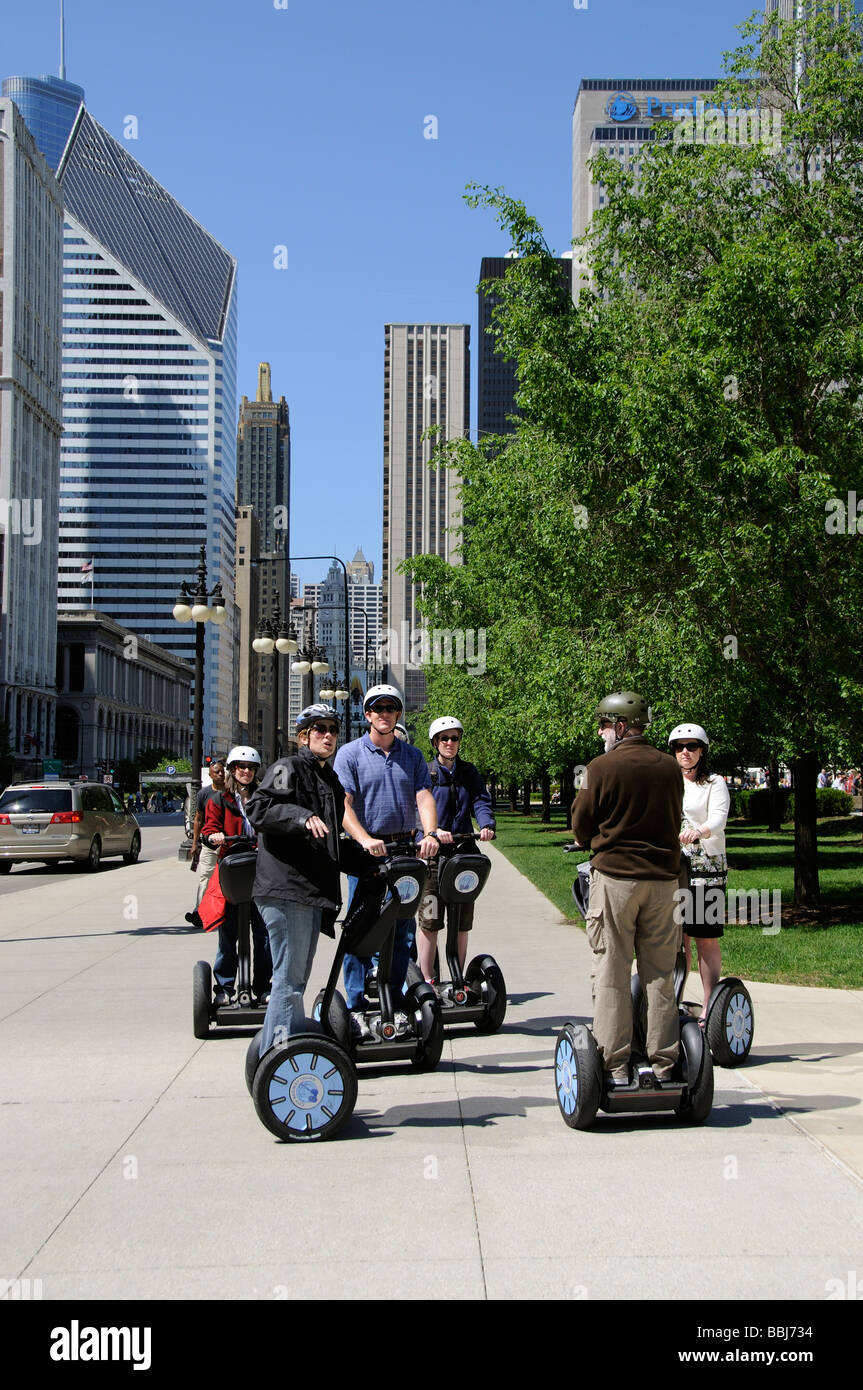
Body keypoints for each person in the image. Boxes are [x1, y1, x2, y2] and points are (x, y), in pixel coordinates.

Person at [245, 705, 372, 1057]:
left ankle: (274, 1054)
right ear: (304, 736)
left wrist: (374, 861)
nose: (328, 735)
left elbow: (330, 844)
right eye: (319, 729)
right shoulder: (289, 768)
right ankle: (283, 1060)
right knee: (290, 981)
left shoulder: (328, 779)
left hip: (309, 894)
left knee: (293, 981)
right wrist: (301, 816)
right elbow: (259, 809)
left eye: (333, 728)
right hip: (288, 891)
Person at [571, 691, 683, 1084]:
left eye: (603, 724)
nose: (601, 732)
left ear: (619, 727)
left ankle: (614, 1066)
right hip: (664, 883)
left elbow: (581, 827)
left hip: (617, 879)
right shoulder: (670, 767)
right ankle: (665, 1064)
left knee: (612, 972)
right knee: (660, 974)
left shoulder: (597, 768)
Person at [334, 684, 439, 1033]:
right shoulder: (350, 754)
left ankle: (394, 1001)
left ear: (398, 715)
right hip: (367, 856)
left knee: (401, 933)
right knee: (362, 930)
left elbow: (423, 796)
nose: (384, 714)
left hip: (405, 851)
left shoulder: (412, 755)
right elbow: (343, 804)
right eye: (377, 709)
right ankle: (354, 1005)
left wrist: (430, 833)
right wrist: (363, 839)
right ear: (367, 715)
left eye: (390, 709)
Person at [416, 716, 495, 984]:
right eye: (444, 738)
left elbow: (480, 800)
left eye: (455, 738)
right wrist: (433, 832)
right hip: (434, 857)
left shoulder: (468, 772)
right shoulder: (425, 773)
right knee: (431, 918)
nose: (450, 743)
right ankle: (426, 979)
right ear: (435, 743)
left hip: (463, 854)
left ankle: (458, 978)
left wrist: (486, 824)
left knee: (462, 919)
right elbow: (417, 810)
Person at [669, 724, 731, 1024]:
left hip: (706, 866)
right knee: (679, 938)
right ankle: (674, 1000)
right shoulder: (667, 780)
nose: (685, 752)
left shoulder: (714, 783)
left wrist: (699, 831)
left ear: (702, 750)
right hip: (673, 864)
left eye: (691, 746)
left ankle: (709, 1004)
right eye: (679, 747)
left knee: (704, 936)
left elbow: (719, 816)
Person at [201, 746, 272, 1006]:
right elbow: (209, 827)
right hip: (232, 869)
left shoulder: (262, 798)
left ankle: (264, 986)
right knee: (228, 933)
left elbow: (272, 822)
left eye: (251, 768)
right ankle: (225, 987)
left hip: (260, 870)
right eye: (241, 767)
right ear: (232, 770)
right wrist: (213, 836)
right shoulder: (219, 800)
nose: (246, 771)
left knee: (263, 934)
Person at [191, 758, 226, 906]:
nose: (220, 774)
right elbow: (198, 820)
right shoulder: (203, 794)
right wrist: (195, 843)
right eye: (216, 772)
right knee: (205, 876)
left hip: (228, 841)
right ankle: (199, 911)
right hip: (209, 843)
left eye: (222, 771)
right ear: (210, 775)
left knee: (226, 877)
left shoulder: (231, 792)